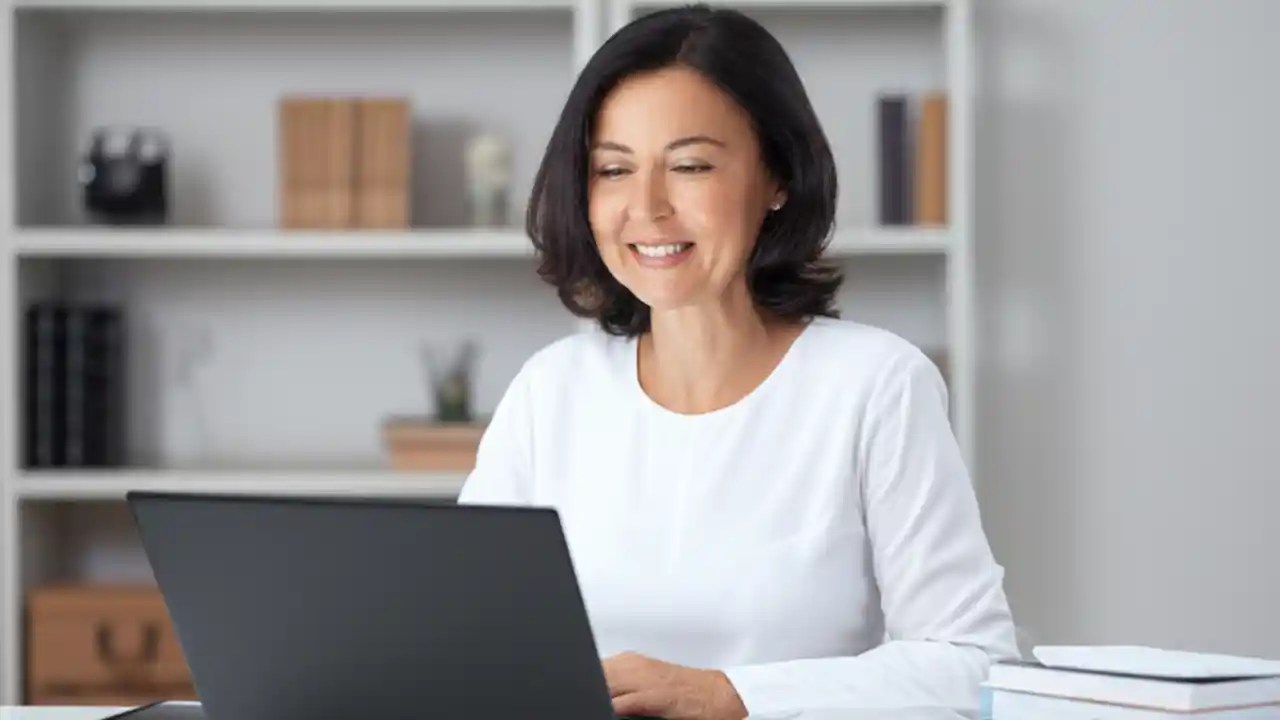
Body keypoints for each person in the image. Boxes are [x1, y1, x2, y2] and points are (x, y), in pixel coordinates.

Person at [457, 4, 1019, 719]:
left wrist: (733, 695)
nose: (647, 207)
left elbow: (973, 666)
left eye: (690, 165)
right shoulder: (550, 391)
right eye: (613, 169)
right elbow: (469, 649)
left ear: (777, 178)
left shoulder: (874, 385)